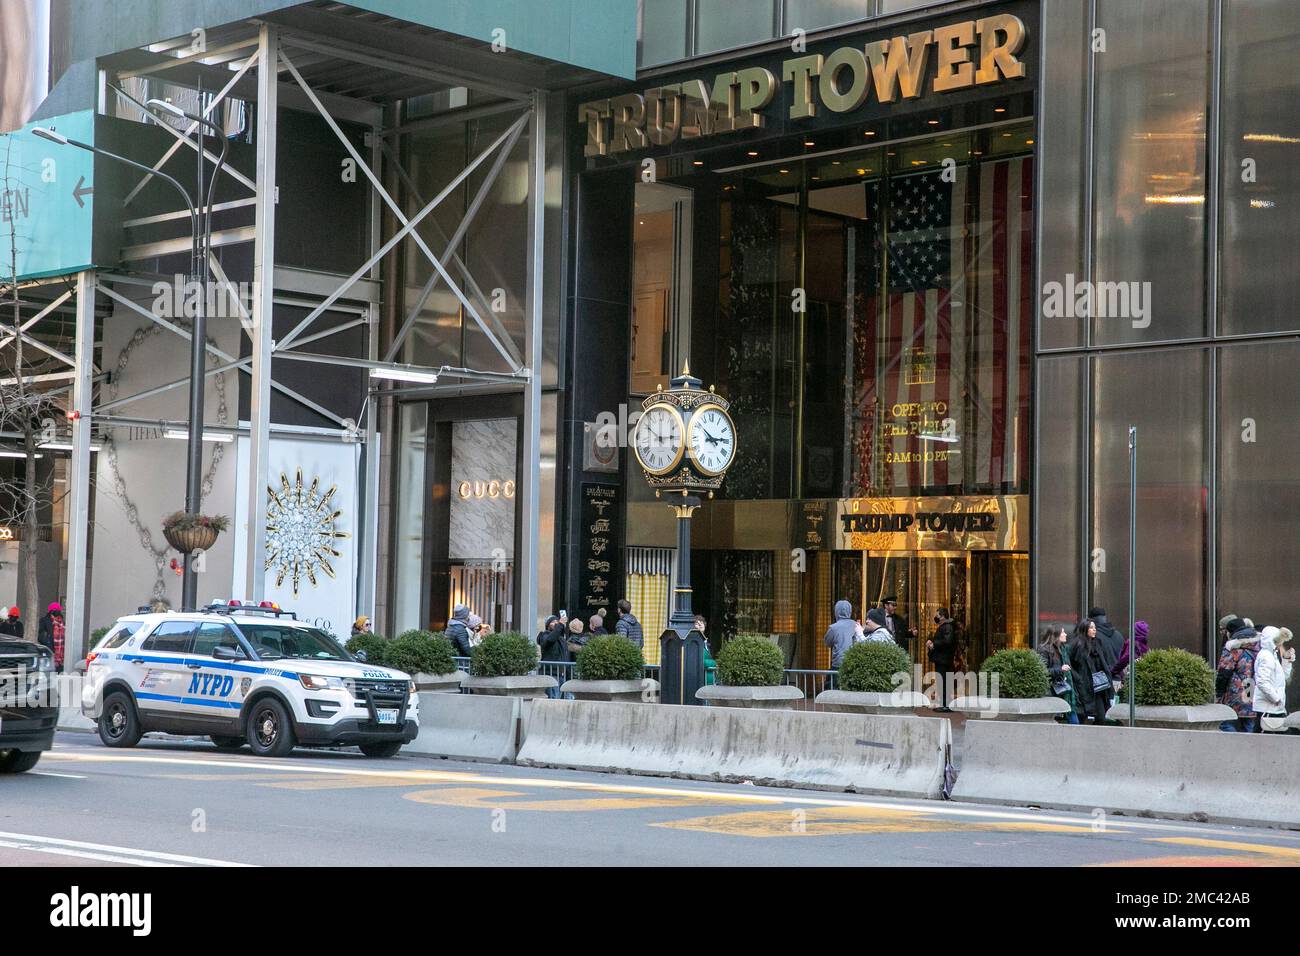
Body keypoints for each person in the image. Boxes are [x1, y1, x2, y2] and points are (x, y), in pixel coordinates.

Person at [1216, 618, 1260, 732]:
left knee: (1225, 722)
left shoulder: (1232, 648)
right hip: (1251, 688)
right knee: (1249, 723)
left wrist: (1218, 693)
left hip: (1234, 690)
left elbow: (1224, 672)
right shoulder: (1258, 646)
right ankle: (1248, 748)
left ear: (1230, 632)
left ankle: (1235, 747)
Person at [1068, 618, 1114, 724]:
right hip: (1085, 686)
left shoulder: (1097, 643)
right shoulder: (1078, 645)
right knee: (1086, 715)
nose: (1094, 630)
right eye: (1091, 628)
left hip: (1099, 686)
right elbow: (1073, 665)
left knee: (1101, 717)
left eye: (1095, 628)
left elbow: (1103, 663)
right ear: (1085, 629)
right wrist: (1078, 679)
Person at [1253, 626, 1294, 733]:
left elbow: (1282, 678)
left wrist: (1286, 661)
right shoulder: (1267, 656)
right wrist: (1276, 698)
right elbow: (1262, 682)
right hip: (1269, 707)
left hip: (1271, 706)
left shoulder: (1271, 655)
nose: (1280, 644)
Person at [1036, 624, 1078, 724]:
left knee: (1073, 720)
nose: (1066, 634)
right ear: (1056, 635)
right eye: (1063, 632)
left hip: (1062, 690)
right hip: (1052, 691)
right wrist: (1060, 669)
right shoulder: (1044, 650)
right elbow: (1042, 671)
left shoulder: (1061, 650)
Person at [927, 608, 958, 711]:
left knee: (943, 682)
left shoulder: (947, 627)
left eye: (938, 615)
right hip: (942, 659)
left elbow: (947, 641)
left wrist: (934, 644)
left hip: (944, 659)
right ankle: (944, 704)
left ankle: (945, 705)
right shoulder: (945, 627)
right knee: (942, 682)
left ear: (943, 616)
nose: (936, 617)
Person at [822, 600, 858, 687]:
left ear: (836, 611)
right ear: (850, 611)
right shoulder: (856, 625)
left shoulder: (833, 628)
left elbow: (827, 642)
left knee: (832, 688)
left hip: (838, 663)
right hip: (854, 663)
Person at [38, 602, 65, 673]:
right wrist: (47, 642)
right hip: (49, 649)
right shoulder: (44, 620)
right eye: (55, 610)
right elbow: (40, 634)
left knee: (59, 672)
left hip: (60, 654)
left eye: (58, 610)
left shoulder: (62, 622)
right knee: (49, 672)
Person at [694, 614, 717, 686]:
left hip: (708, 676)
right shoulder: (693, 642)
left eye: (702, 622)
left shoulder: (707, 643)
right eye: (697, 623)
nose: (700, 624)